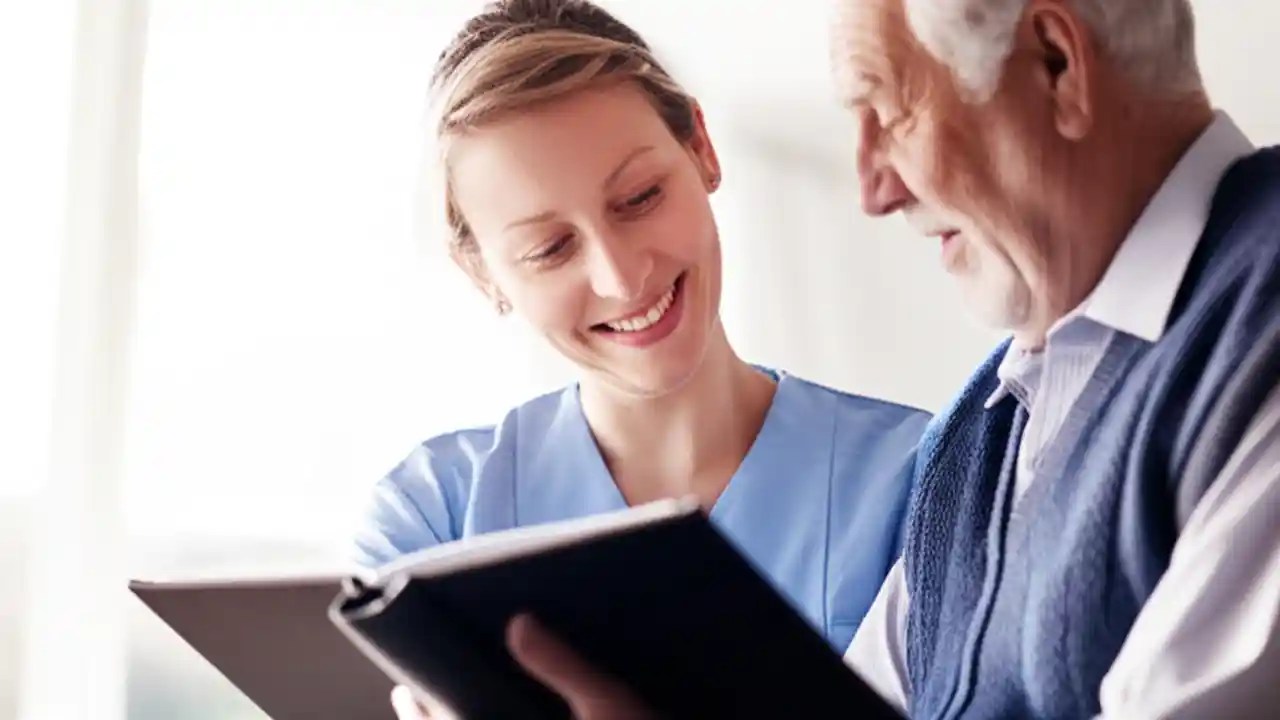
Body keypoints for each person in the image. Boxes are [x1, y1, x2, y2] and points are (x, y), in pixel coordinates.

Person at [397, 0, 1280, 718]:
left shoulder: (1256, 343)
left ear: (1057, 63)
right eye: (548, 248)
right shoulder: (978, 436)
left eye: (886, 109)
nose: (871, 186)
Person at [352, 0, 930, 672]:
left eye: (639, 199)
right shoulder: (430, 526)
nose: (622, 279)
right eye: (550, 248)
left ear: (701, 150)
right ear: (484, 275)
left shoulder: (928, 481)